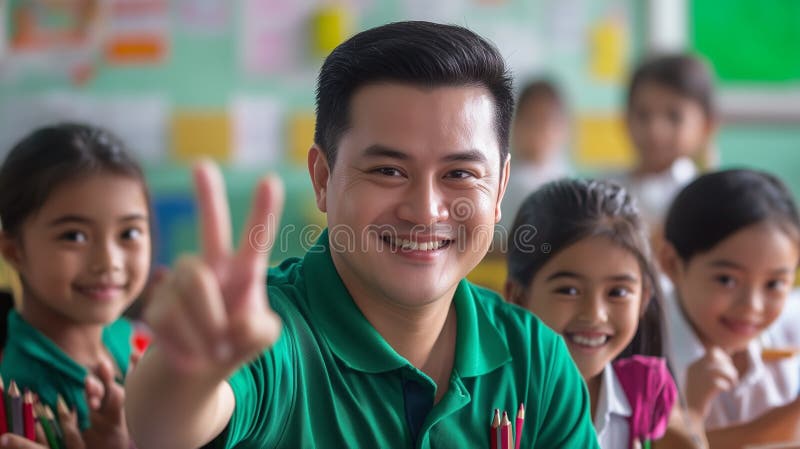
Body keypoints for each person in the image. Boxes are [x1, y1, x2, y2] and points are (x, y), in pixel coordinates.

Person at [125, 21, 599, 448]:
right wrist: (186, 371)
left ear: (499, 189)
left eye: (459, 174)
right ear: (323, 178)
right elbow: (163, 431)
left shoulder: (536, 359)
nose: (425, 211)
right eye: (389, 170)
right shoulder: (267, 330)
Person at [505, 179, 704, 449]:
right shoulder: (490, 402)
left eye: (618, 293)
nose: (595, 315)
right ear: (518, 298)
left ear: (644, 298)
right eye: (569, 290)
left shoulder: (645, 400)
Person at [0, 123, 151, 449]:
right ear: (14, 251)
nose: (108, 261)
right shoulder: (22, 398)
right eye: (74, 236)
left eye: (130, 233)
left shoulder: (120, 334)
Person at [660, 169, 800, 447]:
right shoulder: (633, 350)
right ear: (673, 264)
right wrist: (692, 416)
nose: (752, 306)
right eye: (727, 280)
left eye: (774, 283)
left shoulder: (790, 328)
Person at [613, 54, 718, 239]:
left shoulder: (705, 197)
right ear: (625, 118)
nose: (655, 130)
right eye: (643, 115)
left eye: (674, 117)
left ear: (706, 125)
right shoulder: (608, 191)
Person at [497, 79, 571, 239]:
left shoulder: (563, 174)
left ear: (564, 127)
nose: (540, 130)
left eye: (548, 121)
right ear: (515, 126)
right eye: (531, 121)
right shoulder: (510, 179)